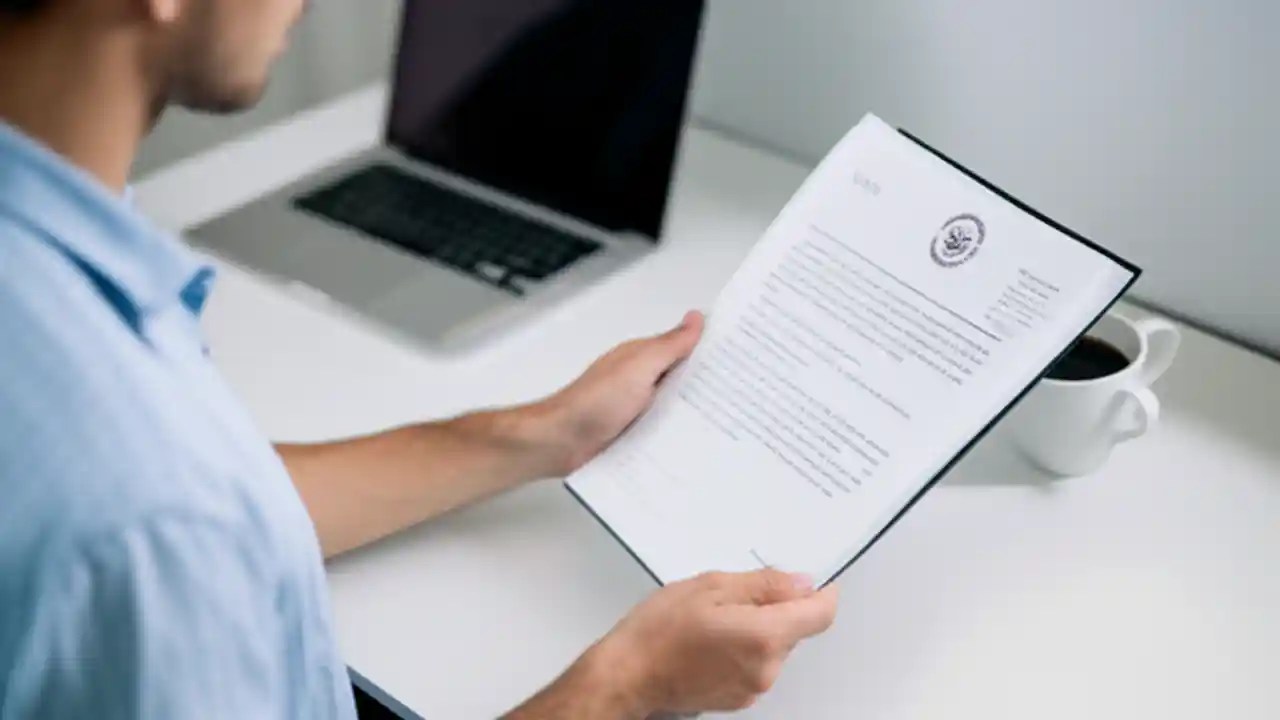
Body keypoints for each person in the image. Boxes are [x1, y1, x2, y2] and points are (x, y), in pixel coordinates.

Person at [0, 1, 839, 719]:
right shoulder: (148, 517)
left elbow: (223, 497)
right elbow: (169, 516)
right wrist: (627, 685)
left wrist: (541, 434)